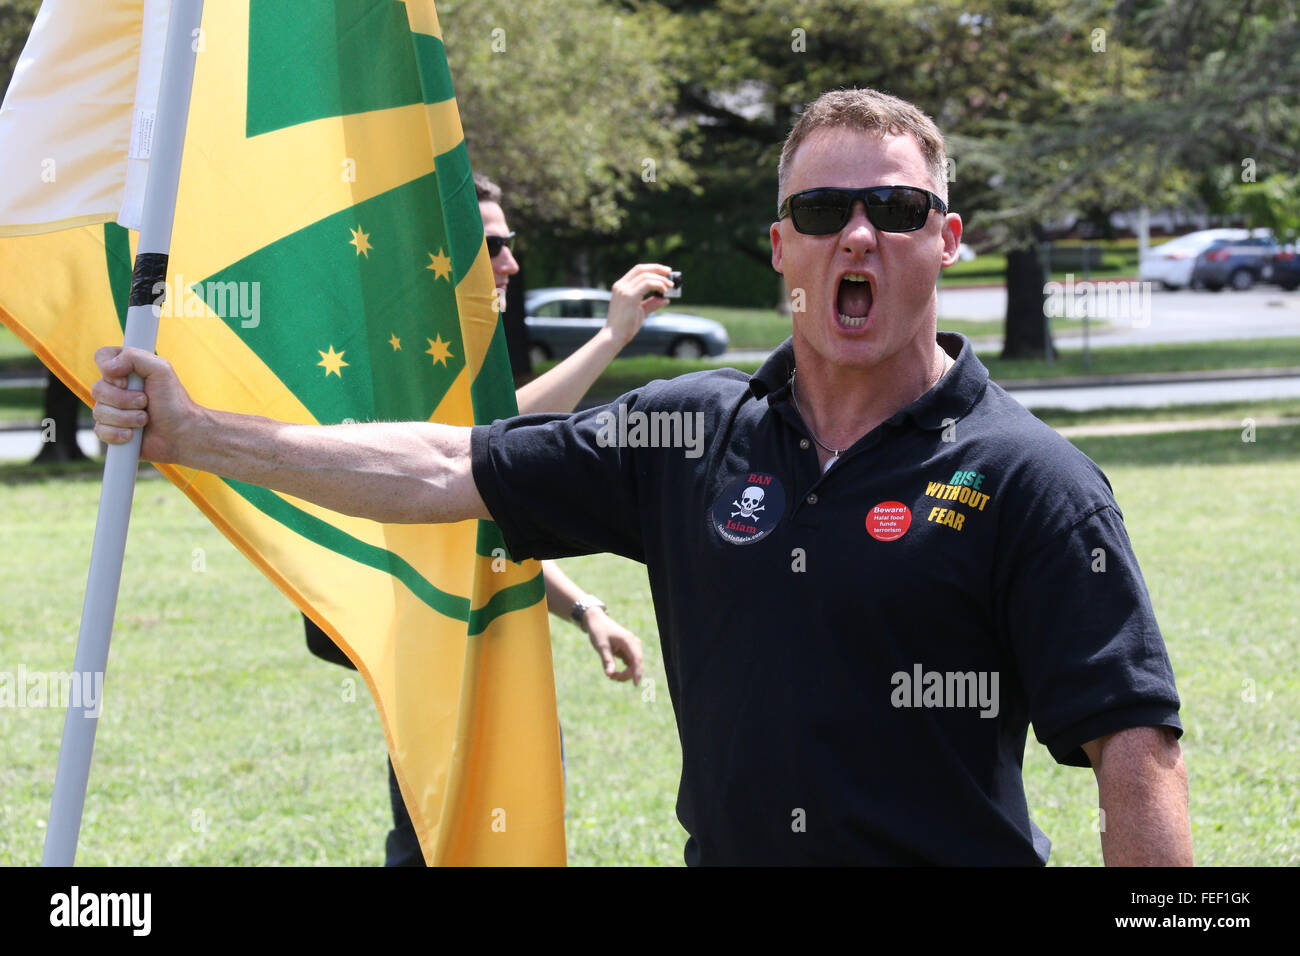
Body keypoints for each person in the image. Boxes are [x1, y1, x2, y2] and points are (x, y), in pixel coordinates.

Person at [90, 88, 1191, 866]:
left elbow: (1132, 747)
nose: (856, 234)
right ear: (779, 245)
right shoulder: (693, 429)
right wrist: (198, 433)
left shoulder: (1032, 478)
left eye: (894, 211)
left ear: (945, 238)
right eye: (821, 212)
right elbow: (445, 463)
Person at [304, 171, 668, 864]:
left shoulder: (463, 352)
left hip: (481, 646)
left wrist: (587, 610)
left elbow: (487, 515)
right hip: (433, 652)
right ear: (440, 257)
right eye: (493, 245)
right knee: (439, 846)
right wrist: (612, 336)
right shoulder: (404, 356)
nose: (511, 262)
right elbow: (485, 452)